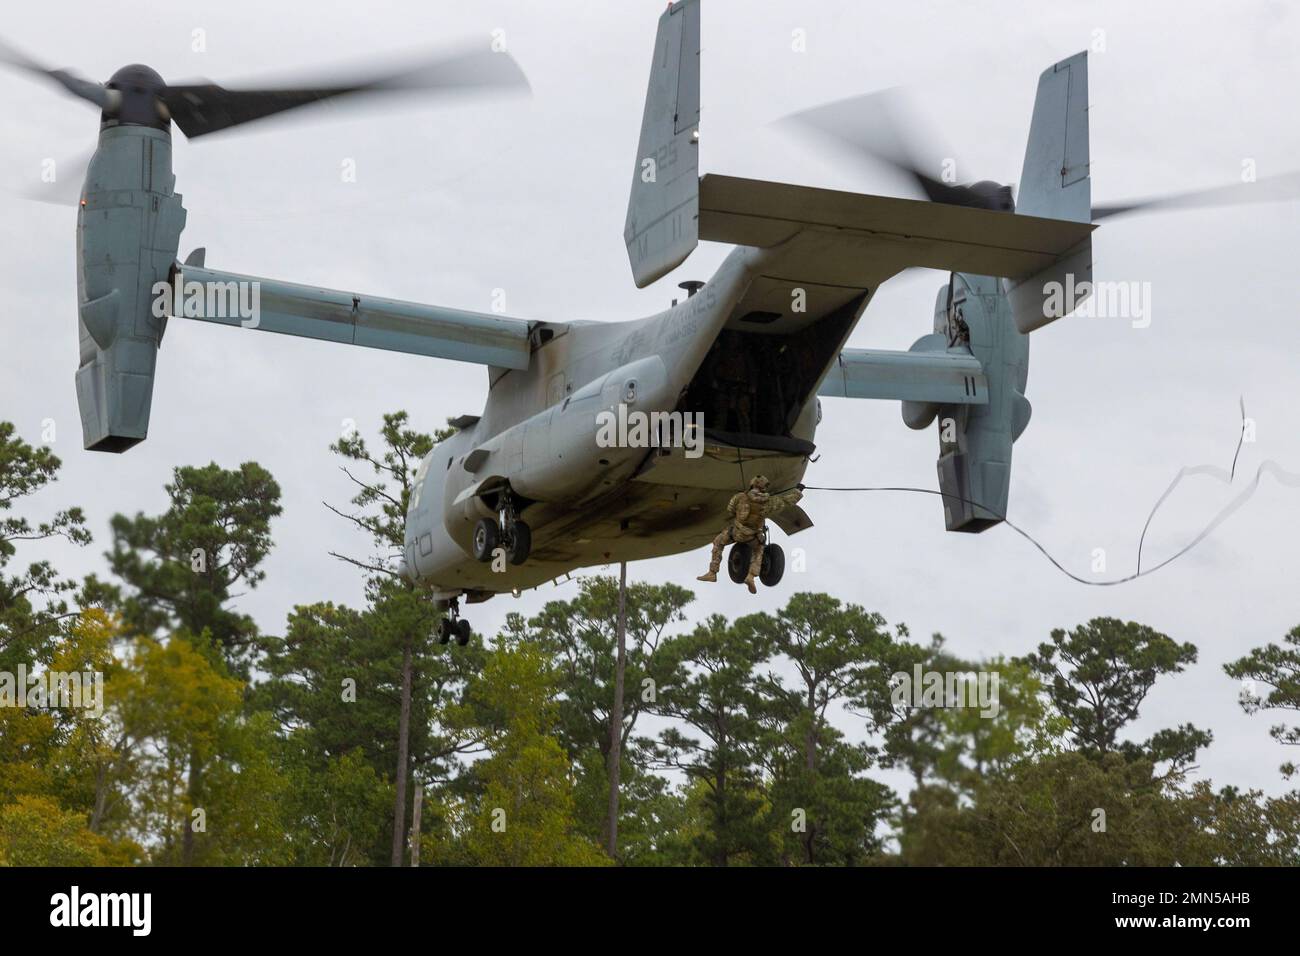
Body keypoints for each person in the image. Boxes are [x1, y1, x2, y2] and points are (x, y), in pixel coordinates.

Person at [697, 475, 803, 593]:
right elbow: (786, 502)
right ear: (763, 487)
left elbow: (730, 509)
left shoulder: (740, 497)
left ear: (752, 484)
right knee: (758, 551)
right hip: (753, 537)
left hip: (736, 533)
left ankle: (712, 573)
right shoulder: (768, 503)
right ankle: (751, 577)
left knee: (718, 542)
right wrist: (798, 491)